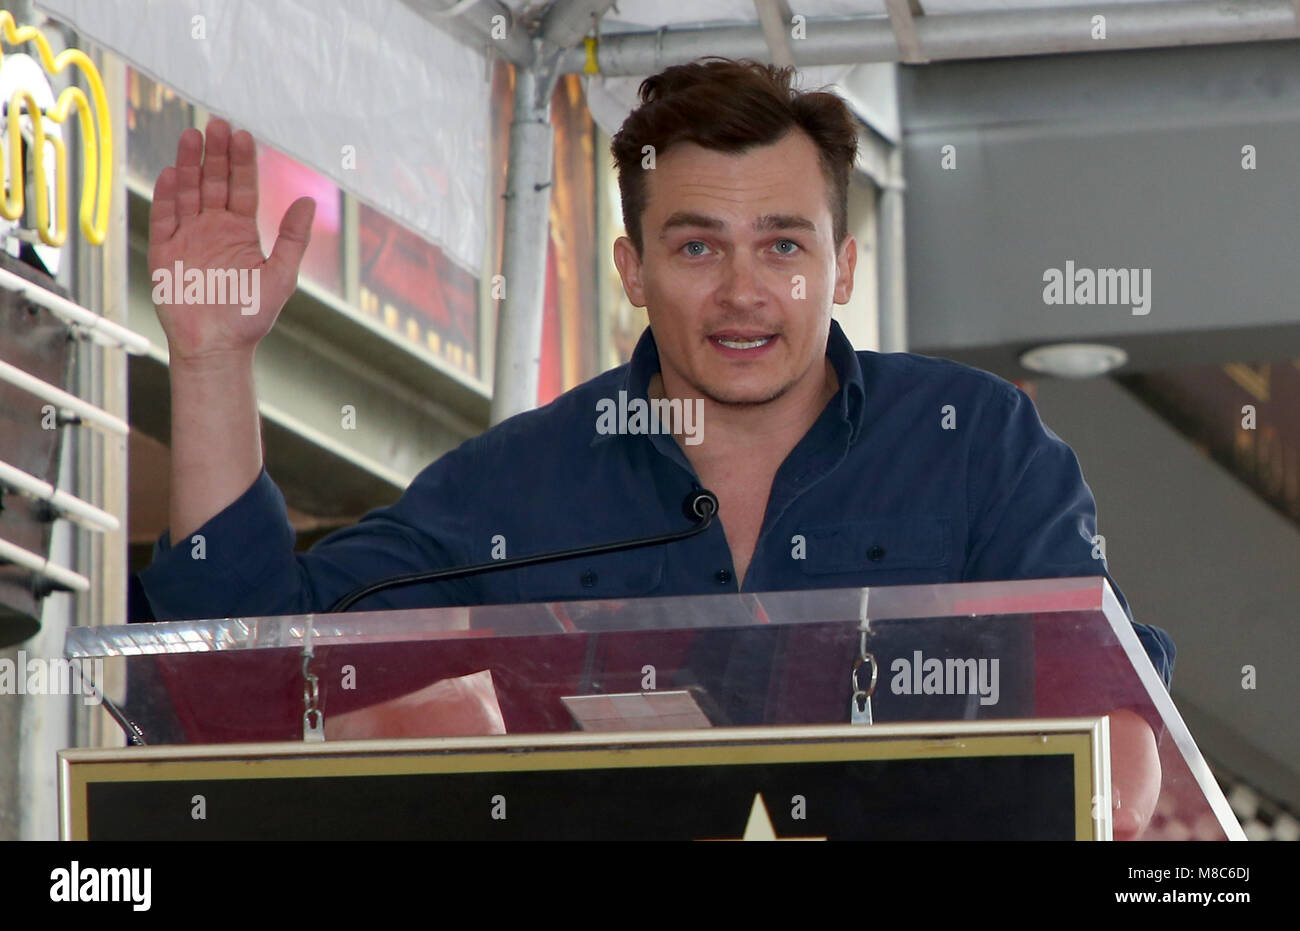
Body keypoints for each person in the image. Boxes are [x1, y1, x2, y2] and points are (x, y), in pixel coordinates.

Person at [137, 57, 1170, 838]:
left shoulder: (974, 443)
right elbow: (254, 674)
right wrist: (212, 360)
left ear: (841, 264)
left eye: (782, 244)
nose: (742, 291)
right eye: (695, 247)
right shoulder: (522, 484)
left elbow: (1117, 738)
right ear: (631, 269)